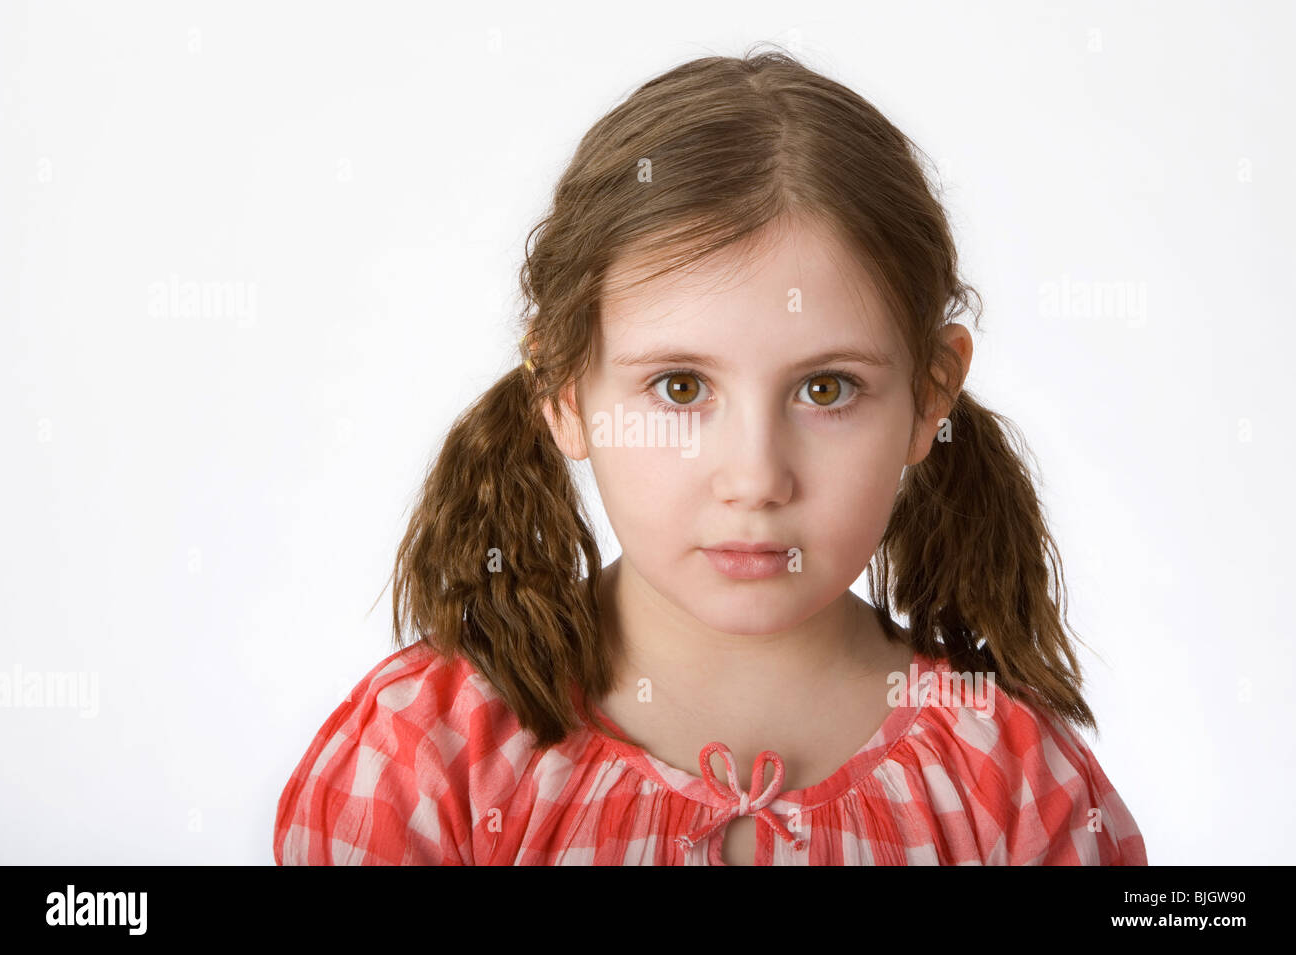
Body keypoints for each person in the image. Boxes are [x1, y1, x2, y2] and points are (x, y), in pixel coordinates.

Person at [273, 46, 1147, 866]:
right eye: (682, 389)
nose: (757, 478)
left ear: (930, 396)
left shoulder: (1022, 789)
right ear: (566, 394)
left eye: (827, 389)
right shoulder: (423, 758)